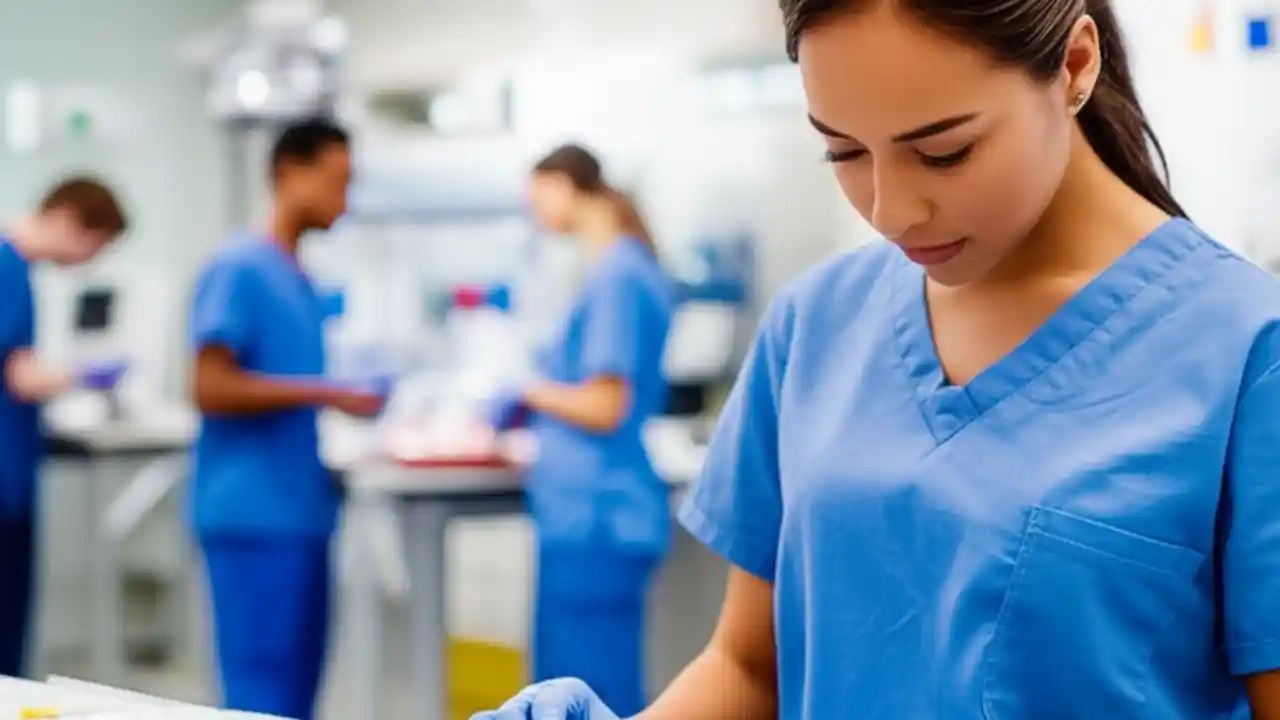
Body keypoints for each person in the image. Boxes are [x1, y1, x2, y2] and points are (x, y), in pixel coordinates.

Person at [476, 1, 1280, 718]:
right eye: (844, 152)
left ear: (1073, 65)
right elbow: (751, 668)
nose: (891, 212)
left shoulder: (1244, 352)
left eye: (944, 152)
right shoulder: (814, 325)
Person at [189, 118, 386, 720]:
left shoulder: (297, 276)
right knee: (259, 698)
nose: (344, 202)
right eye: (336, 182)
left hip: (299, 511)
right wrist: (327, 392)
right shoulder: (239, 266)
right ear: (288, 173)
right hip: (252, 515)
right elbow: (210, 386)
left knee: (297, 697)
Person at [487, 145, 674, 716]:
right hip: (590, 516)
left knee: (586, 696)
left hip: (596, 518)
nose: (535, 213)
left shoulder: (617, 274)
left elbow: (605, 404)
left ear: (566, 186)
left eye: (536, 196)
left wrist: (527, 390)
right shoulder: (619, 267)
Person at [0, 177, 129, 678]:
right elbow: (20, 376)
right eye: (95, 247)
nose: (89, 262)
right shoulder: (9, 270)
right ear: (72, 221)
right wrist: (84, 375)